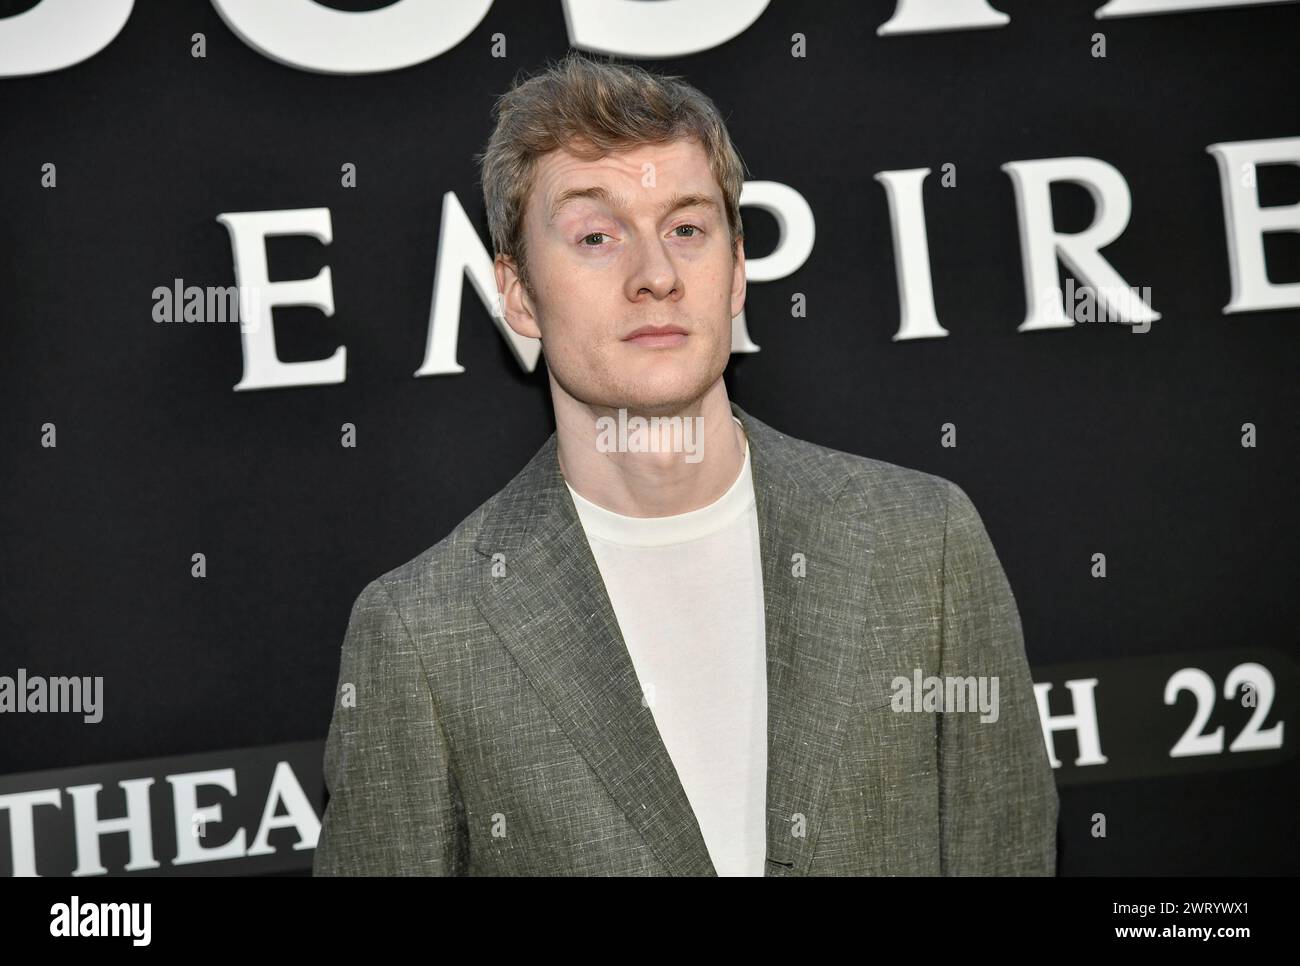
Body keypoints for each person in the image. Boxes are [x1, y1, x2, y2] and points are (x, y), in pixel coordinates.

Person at [313, 51, 1058, 876]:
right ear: (517, 292)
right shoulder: (423, 632)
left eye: (687, 229)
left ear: (736, 271)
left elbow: (1009, 847)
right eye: (597, 236)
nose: (656, 275)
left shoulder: (926, 545)